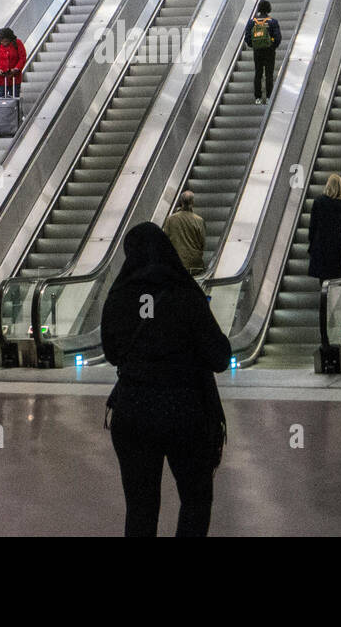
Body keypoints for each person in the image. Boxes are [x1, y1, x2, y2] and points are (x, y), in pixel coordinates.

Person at [102, 222, 231, 537]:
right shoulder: (186, 293)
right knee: (195, 499)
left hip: (133, 411)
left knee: (141, 508)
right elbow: (219, 358)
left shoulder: (119, 295)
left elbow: (112, 353)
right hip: (184, 410)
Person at [244, 0, 282, 105]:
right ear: (269, 9)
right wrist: (272, 46)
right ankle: (269, 97)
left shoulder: (252, 22)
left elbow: (247, 37)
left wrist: (255, 45)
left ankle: (258, 97)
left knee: (258, 73)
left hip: (257, 51)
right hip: (269, 52)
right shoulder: (272, 22)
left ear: (259, 9)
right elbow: (278, 37)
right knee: (269, 74)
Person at [162, 191, 207, 276]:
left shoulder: (170, 219)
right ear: (193, 202)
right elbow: (203, 244)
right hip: (195, 266)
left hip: (176, 265)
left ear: (181, 202)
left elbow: (165, 241)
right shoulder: (199, 220)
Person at [0, 27, 27, 97]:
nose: (4, 43)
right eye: (2, 41)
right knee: (1, 98)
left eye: (6, 41)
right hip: (0, 79)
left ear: (11, 39)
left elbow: (22, 58)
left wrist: (16, 69)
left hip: (14, 78)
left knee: (14, 98)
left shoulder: (17, 43)